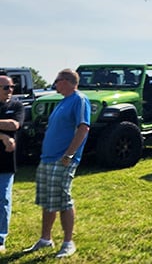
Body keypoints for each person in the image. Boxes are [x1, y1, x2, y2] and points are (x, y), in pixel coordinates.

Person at [24, 68, 90, 259]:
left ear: (67, 81)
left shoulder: (79, 100)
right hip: (48, 159)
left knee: (63, 199)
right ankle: (45, 239)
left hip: (63, 159)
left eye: (57, 80)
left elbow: (83, 128)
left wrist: (69, 154)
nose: (54, 84)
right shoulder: (63, 101)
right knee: (47, 200)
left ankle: (68, 242)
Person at [0, 75, 24, 254]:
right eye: (6, 87)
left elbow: (14, 124)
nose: (10, 91)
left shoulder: (16, 106)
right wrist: (2, 136)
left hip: (6, 162)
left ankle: (0, 238)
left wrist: (6, 132)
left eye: (12, 87)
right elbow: (5, 128)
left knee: (3, 200)